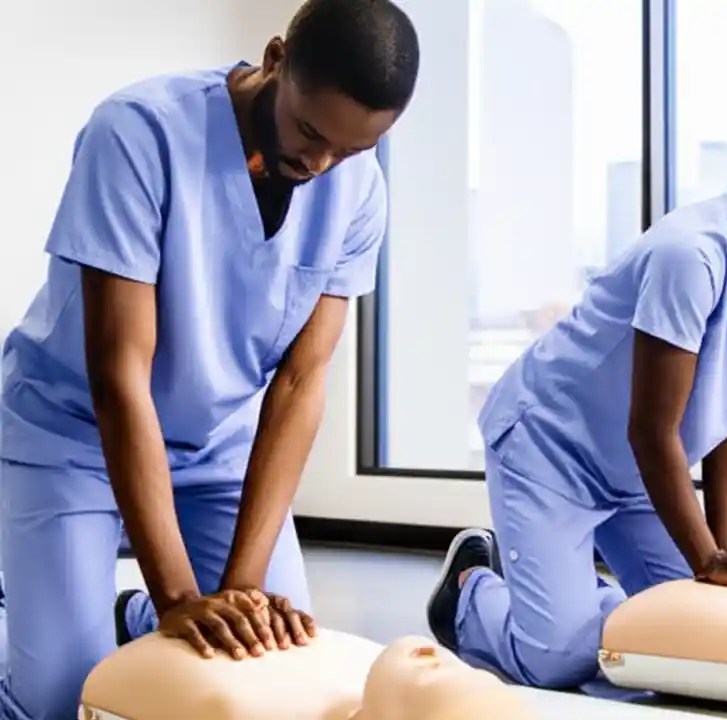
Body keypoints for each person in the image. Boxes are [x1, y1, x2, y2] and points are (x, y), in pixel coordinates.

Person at [0, 1, 419, 717]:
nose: (321, 165)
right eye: (311, 132)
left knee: (272, 665)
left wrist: (240, 592)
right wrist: (178, 599)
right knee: (64, 699)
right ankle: (37, 616)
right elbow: (119, 376)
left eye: (351, 150)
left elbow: (301, 381)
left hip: (214, 450)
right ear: (276, 59)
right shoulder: (136, 133)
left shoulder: (359, 186)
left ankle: (126, 618)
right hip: (71, 437)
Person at [425, 140, 727, 689]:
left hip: (634, 478)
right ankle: (469, 593)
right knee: (558, 660)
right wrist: (708, 560)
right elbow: (651, 431)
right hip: (550, 450)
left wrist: (721, 552)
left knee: (699, 629)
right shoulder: (690, 255)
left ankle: (566, 602)